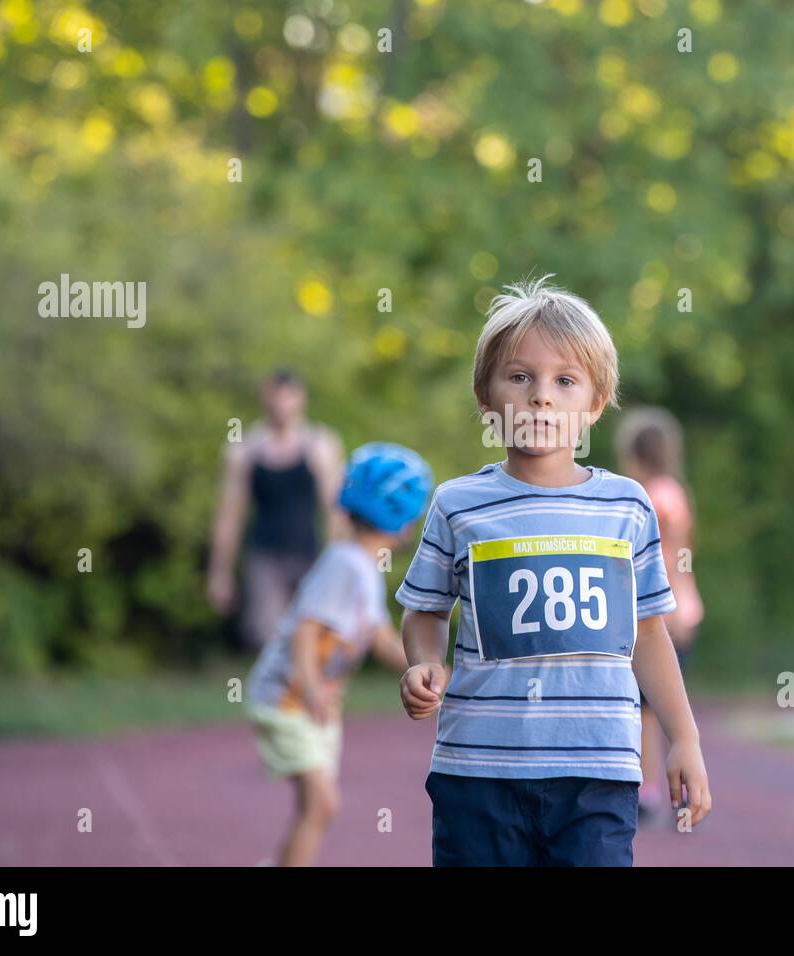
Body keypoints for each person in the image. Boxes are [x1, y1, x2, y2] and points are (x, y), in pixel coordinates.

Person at [395, 274, 712, 866]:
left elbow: (647, 634)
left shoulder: (627, 506)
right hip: (478, 771)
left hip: (598, 772)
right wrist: (423, 662)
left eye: (565, 381)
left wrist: (684, 738)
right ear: (486, 395)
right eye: (520, 377)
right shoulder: (458, 504)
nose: (542, 396)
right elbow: (426, 611)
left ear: (594, 405)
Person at [244, 443, 432, 866]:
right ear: (403, 524)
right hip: (288, 701)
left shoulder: (360, 567)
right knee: (321, 805)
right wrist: (311, 688)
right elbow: (306, 630)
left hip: (306, 703)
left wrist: (430, 669)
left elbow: (381, 639)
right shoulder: (346, 564)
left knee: (318, 808)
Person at [207, 369, 351, 651]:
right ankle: (274, 696)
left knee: (313, 638)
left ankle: (303, 694)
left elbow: (335, 510)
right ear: (265, 398)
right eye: (277, 397)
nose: (282, 405)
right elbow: (229, 515)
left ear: (302, 399)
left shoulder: (320, 445)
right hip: (264, 557)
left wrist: (340, 565)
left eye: (289, 397)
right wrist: (219, 573)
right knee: (268, 640)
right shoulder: (245, 448)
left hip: (310, 554)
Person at [615, 407, 705, 824]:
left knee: (648, 708)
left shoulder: (647, 495)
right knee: (661, 706)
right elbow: (685, 555)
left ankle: (654, 790)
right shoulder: (672, 491)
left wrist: (672, 609)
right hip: (677, 607)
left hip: (660, 610)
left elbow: (670, 558)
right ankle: (676, 788)